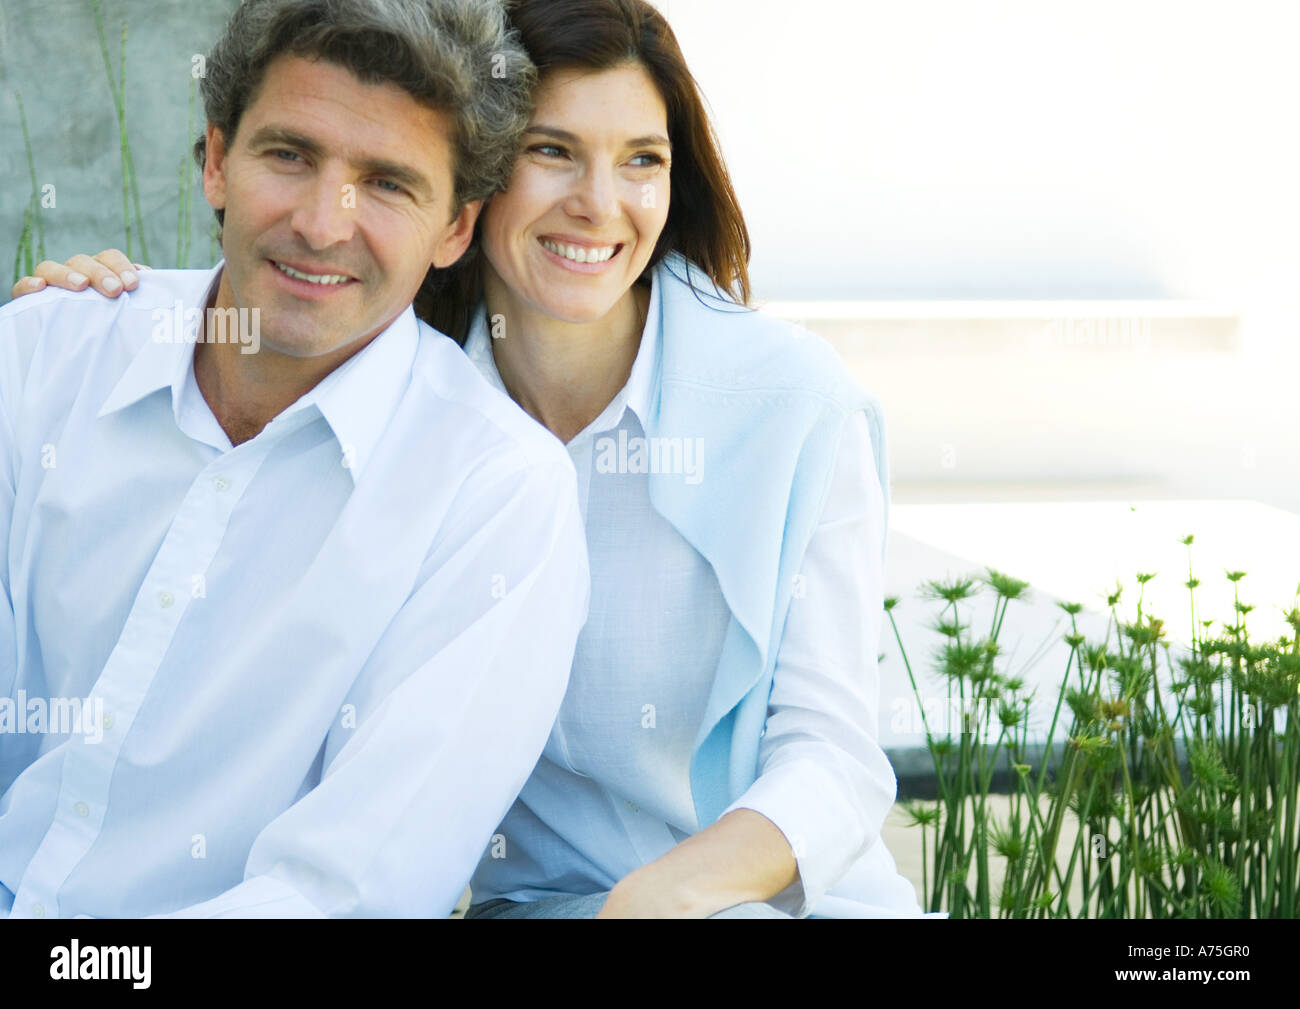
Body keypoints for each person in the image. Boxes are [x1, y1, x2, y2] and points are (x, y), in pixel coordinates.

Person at [16, 0, 925, 918]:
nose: (598, 204)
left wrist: (664, 900)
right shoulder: (391, 398)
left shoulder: (785, 403)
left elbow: (835, 757)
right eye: (553, 150)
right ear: (475, 200)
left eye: (641, 159)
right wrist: (75, 327)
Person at [0, 0, 590, 918]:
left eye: (388, 183)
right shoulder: (41, 356)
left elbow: (349, 892)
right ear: (215, 161)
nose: (321, 224)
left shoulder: (495, 492)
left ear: (456, 231)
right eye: (290, 155)